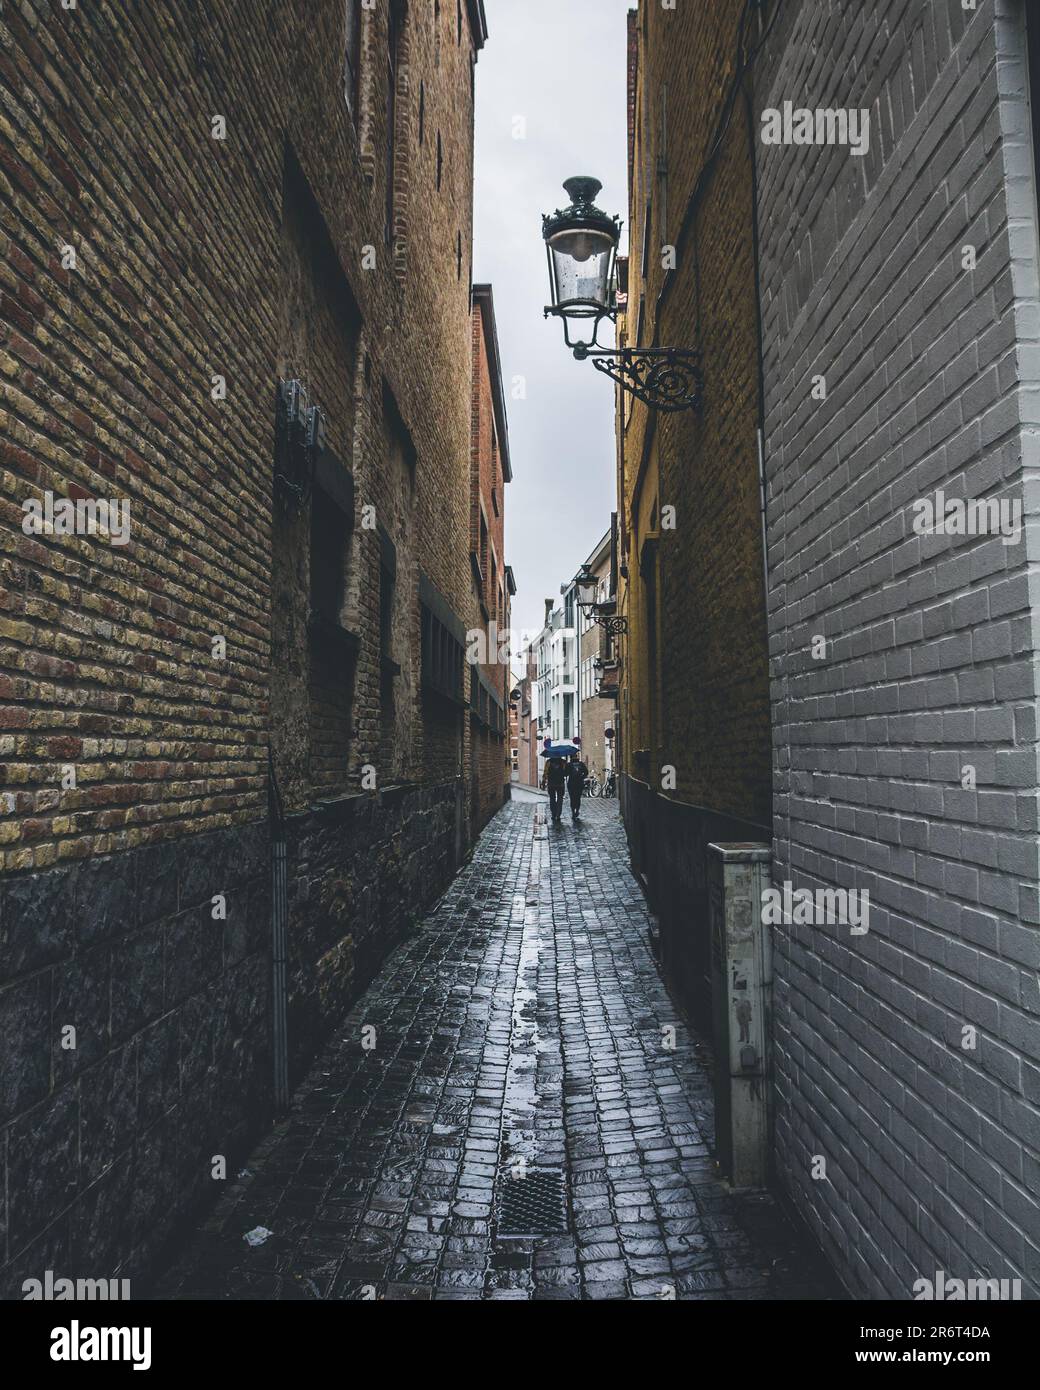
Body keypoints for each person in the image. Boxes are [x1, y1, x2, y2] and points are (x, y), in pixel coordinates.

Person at [542, 753, 567, 823]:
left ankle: (553, 814)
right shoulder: (563, 762)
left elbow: (545, 772)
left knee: (552, 799)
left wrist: (544, 781)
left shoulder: (548, 762)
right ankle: (558, 815)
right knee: (560, 799)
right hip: (560, 784)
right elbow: (565, 773)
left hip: (551, 784)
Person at [567, 751, 588, 820]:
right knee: (578, 798)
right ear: (576, 757)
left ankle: (573, 812)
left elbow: (565, 773)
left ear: (570, 757)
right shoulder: (581, 764)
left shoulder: (569, 764)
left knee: (572, 799)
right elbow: (586, 772)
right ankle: (577, 811)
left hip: (571, 784)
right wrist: (582, 777)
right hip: (579, 783)